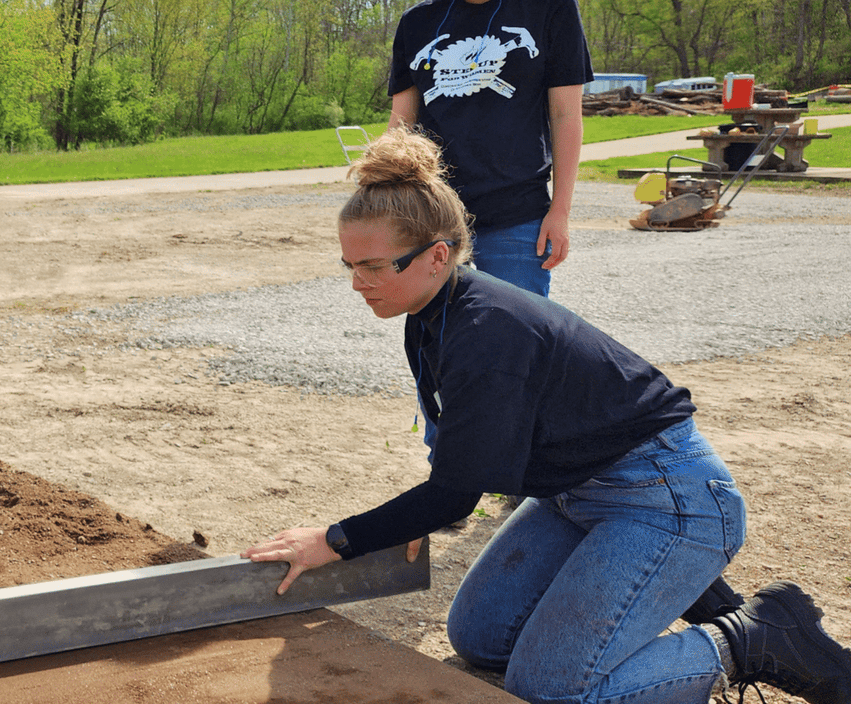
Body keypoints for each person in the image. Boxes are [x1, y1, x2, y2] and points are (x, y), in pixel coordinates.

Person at [242, 128, 851, 704]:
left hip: (668, 498)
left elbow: (455, 498)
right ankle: (650, 603)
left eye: (374, 267)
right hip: (574, 495)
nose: (358, 284)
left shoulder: (487, 331)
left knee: (555, 687)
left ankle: (757, 637)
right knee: (481, 638)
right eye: (349, 265)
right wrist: (409, 517)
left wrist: (334, 541)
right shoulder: (432, 315)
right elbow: (459, 449)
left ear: (438, 255)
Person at [387, 0, 590, 298]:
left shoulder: (551, 7)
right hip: (431, 213)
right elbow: (401, 124)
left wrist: (560, 212)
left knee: (514, 339)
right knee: (438, 338)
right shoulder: (418, 23)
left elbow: (566, 115)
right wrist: (386, 197)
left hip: (517, 214)